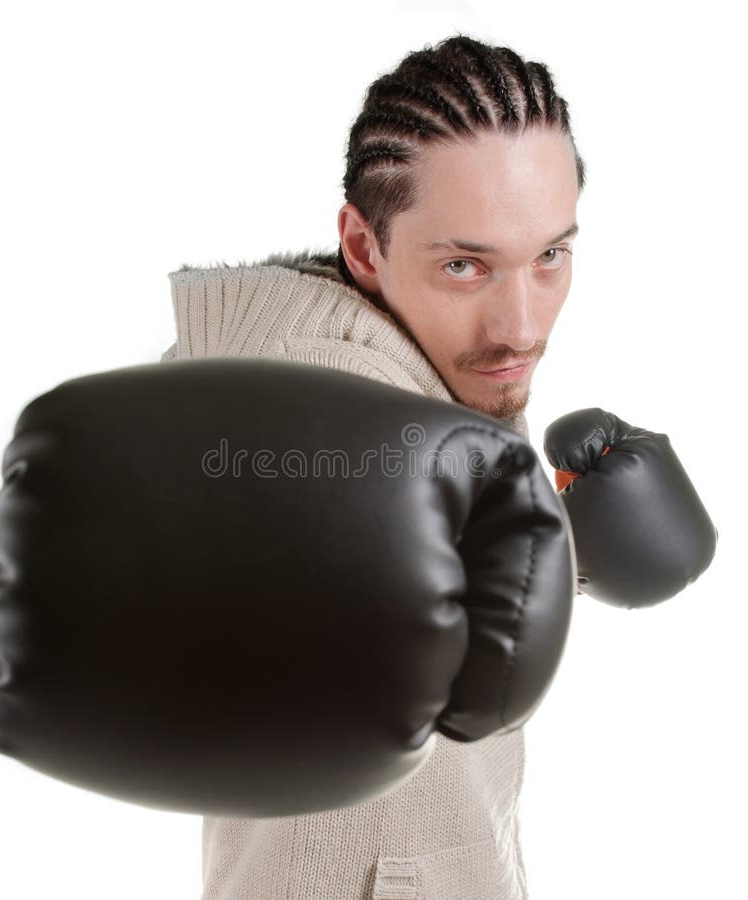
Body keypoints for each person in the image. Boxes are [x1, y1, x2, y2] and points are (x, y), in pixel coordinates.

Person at [161, 34, 584, 900]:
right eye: (464, 264)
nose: (520, 324)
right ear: (362, 245)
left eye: (548, 255)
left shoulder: (413, 368)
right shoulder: (329, 399)